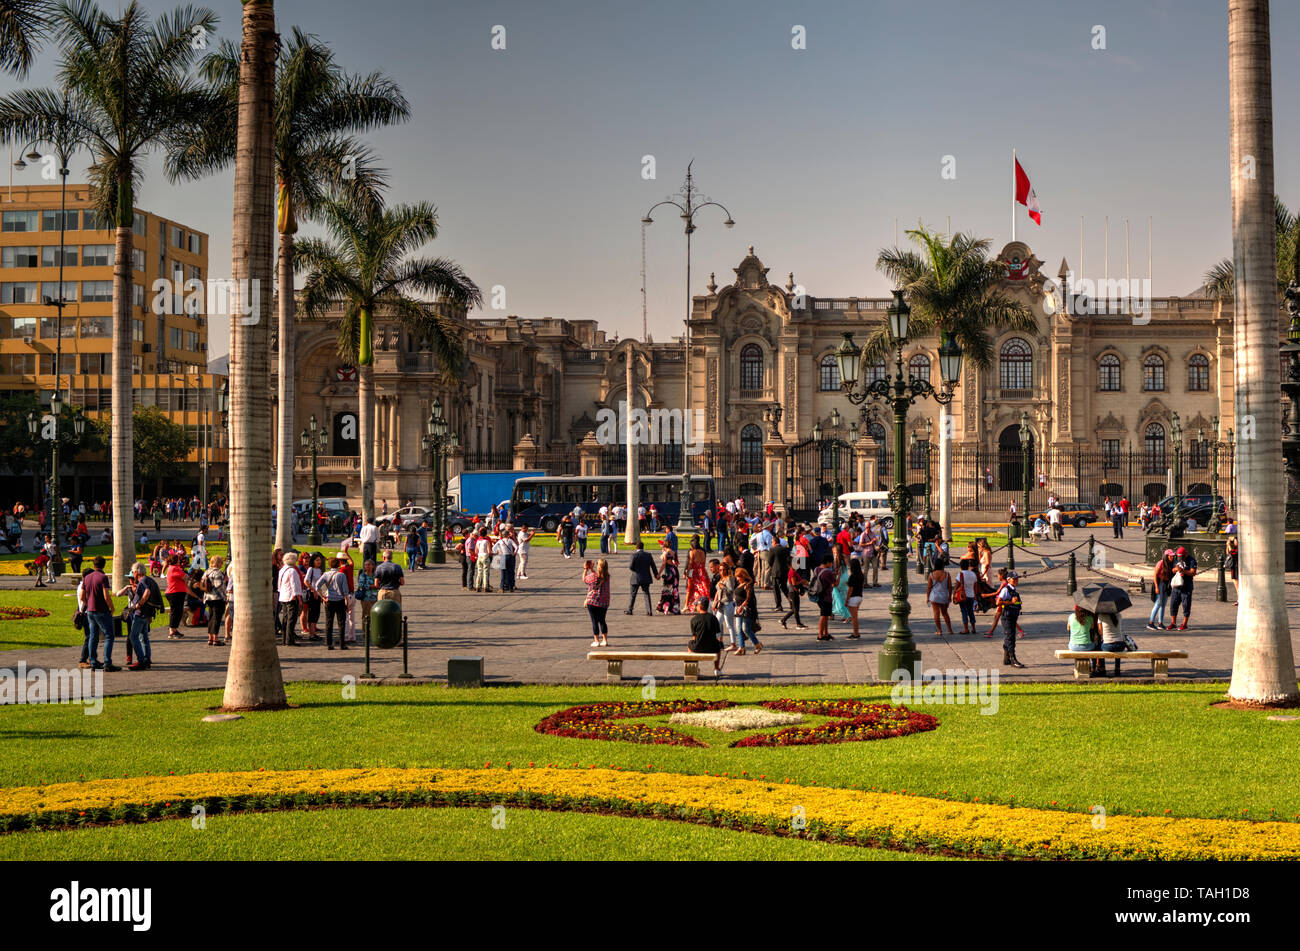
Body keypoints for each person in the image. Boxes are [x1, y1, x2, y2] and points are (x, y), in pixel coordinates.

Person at [81, 556, 116, 671]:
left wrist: (88, 603)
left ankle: (93, 662)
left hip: (90, 611)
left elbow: (82, 596)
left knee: (93, 636)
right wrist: (111, 607)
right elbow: (106, 596)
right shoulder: (103, 577)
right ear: (104, 565)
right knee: (109, 636)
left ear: (93, 564)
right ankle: (107, 663)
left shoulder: (87, 578)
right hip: (101, 610)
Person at [120, 562, 158, 670]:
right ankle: (146, 659)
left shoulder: (142, 581)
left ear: (136, 572)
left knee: (133, 636)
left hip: (140, 613)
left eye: (133, 572)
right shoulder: (149, 580)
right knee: (144, 636)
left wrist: (139, 604)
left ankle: (141, 661)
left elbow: (147, 593)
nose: (133, 574)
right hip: (147, 613)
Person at [994, 569, 1025, 668]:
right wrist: (1011, 602)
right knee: (1010, 638)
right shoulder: (1006, 589)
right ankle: (1013, 659)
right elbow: (998, 602)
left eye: (1017, 579)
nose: (1016, 580)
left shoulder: (1013, 590)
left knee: (1010, 637)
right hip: (1007, 617)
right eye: (1014, 579)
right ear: (1008, 579)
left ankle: (1006, 658)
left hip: (1012, 616)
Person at [688, 596, 725, 673]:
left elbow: (694, 637)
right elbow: (717, 633)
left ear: (700, 606)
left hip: (698, 646)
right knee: (718, 644)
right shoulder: (713, 618)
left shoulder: (694, 619)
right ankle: (716, 668)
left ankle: (695, 668)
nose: (696, 607)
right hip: (712, 647)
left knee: (689, 644)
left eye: (696, 605)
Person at [731, 567, 763, 655]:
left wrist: (741, 606)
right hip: (738, 609)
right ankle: (741, 647)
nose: (737, 579)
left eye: (739, 577)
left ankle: (757, 644)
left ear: (743, 576)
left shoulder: (748, 585)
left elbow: (748, 598)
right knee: (738, 629)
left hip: (746, 610)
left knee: (746, 628)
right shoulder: (739, 585)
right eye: (737, 577)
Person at [322, 557, 350, 650]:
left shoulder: (326, 574)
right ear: (338, 564)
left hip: (329, 600)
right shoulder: (341, 575)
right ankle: (342, 644)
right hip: (340, 600)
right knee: (341, 623)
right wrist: (348, 603)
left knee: (329, 622)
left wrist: (322, 596)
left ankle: (329, 643)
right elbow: (345, 591)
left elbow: (317, 585)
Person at [1166, 545, 1197, 631]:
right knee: (1173, 605)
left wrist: (1183, 571)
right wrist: (1176, 569)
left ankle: (1184, 624)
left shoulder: (1192, 560)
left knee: (1186, 605)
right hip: (1177, 586)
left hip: (1186, 586)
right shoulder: (1177, 559)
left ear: (1185, 554)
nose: (1180, 558)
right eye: (1179, 557)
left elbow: (1193, 572)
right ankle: (1173, 623)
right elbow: (1172, 570)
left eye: (1181, 557)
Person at [277, 551, 305, 646]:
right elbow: (295, 585)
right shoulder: (292, 571)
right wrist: (298, 597)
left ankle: (285, 639)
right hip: (291, 597)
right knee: (291, 619)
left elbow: (279, 584)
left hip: (283, 596)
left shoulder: (282, 569)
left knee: (285, 618)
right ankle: (289, 640)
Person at [1066, 604, 1103, 676]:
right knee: (1095, 646)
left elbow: (1068, 628)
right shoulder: (1089, 618)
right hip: (1087, 646)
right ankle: (1093, 667)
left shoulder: (1071, 616)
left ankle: (1077, 667)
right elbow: (1092, 628)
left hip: (1073, 646)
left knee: (1075, 645)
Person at [626, 542, 659, 616]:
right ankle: (649, 611)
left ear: (636, 547)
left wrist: (636, 571)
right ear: (643, 547)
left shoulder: (634, 555)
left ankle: (630, 610)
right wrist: (656, 575)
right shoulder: (648, 555)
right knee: (646, 594)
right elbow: (653, 566)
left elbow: (630, 566)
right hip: (646, 577)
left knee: (633, 594)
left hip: (636, 577)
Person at [584, 558, 611, 647]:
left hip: (593, 601)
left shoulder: (594, 576)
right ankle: (605, 640)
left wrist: (585, 569)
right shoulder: (607, 576)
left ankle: (596, 641)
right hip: (604, 601)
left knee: (594, 621)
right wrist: (592, 570)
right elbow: (600, 575)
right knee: (602, 620)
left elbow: (585, 579)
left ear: (598, 566)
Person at [202, 556, 228, 647]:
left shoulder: (207, 572)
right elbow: (219, 586)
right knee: (217, 618)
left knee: (211, 618)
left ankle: (210, 638)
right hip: (217, 598)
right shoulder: (218, 573)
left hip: (208, 598)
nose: (222, 564)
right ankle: (216, 639)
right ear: (218, 563)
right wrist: (225, 596)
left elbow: (202, 583)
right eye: (221, 562)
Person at [926, 556, 955, 637]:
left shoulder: (931, 574)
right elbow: (949, 587)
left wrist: (927, 597)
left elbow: (928, 587)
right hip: (944, 595)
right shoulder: (947, 574)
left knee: (936, 613)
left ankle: (939, 630)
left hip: (934, 596)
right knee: (945, 613)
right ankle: (950, 629)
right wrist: (949, 596)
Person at [810, 554, 837, 641]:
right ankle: (820, 635)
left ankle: (826, 633)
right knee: (823, 615)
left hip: (818, 595)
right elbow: (835, 584)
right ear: (828, 563)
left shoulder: (816, 569)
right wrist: (838, 575)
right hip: (826, 596)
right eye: (831, 563)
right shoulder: (828, 572)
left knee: (825, 615)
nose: (832, 565)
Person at [1147, 549, 1175, 631]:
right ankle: (1150, 622)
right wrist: (1156, 587)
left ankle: (1160, 623)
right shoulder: (1161, 563)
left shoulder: (1171, 564)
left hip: (1166, 584)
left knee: (1163, 604)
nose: (1172, 557)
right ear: (1166, 556)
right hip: (1160, 583)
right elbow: (1155, 575)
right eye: (1170, 556)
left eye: (1173, 556)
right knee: (1158, 603)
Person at [712, 561, 738, 646]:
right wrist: (715, 602)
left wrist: (723, 587)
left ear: (727, 570)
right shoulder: (721, 578)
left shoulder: (729, 578)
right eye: (720, 570)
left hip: (728, 603)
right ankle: (718, 642)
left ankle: (733, 643)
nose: (722, 572)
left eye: (724, 570)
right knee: (717, 623)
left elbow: (731, 591)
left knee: (729, 625)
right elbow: (718, 592)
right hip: (721, 604)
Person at [163, 553, 188, 640]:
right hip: (174, 593)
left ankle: (174, 629)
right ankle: (172, 631)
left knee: (178, 612)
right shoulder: (174, 569)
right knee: (175, 612)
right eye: (178, 559)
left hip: (177, 593)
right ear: (174, 560)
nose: (179, 561)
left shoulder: (175, 568)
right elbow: (185, 577)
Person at [1096, 610, 1127, 677]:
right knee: (1118, 646)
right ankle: (1117, 668)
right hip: (1120, 645)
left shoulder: (1101, 616)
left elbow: (1100, 632)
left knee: (1099, 647)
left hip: (1108, 645)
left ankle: (1102, 668)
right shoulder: (1118, 615)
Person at [954, 558, 978, 635]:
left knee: (964, 611)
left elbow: (957, 585)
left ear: (960, 566)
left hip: (963, 596)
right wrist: (975, 595)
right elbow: (975, 586)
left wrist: (954, 593)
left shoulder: (960, 574)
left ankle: (966, 628)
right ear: (968, 566)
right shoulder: (973, 574)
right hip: (971, 595)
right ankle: (973, 628)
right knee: (971, 611)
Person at [846, 557, 864, 639]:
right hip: (859, 596)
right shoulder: (861, 575)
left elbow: (850, 589)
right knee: (855, 616)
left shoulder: (852, 576)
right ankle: (856, 632)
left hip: (853, 598)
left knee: (854, 617)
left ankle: (855, 633)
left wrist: (846, 600)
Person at [658, 548, 681, 614]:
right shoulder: (673, 552)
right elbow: (676, 563)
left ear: (664, 546)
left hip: (669, 572)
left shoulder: (665, 553)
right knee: (675, 590)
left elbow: (663, 564)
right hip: (675, 571)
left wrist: (659, 574)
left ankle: (666, 607)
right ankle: (675, 609)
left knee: (667, 590)